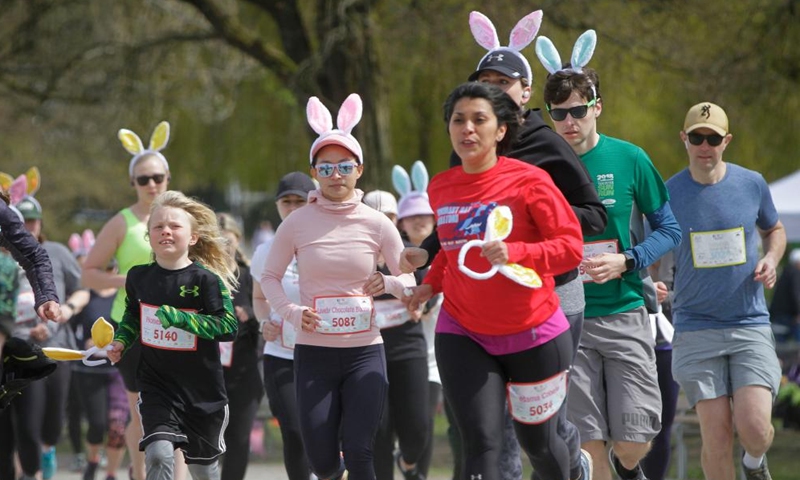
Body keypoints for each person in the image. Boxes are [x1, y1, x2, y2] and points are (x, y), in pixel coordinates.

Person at [404, 81, 586, 480]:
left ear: (501, 130)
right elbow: (454, 250)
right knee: (482, 443)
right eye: (458, 120)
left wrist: (516, 252)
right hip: (463, 331)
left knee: (539, 444)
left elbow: (570, 248)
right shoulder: (442, 186)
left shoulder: (530, 181)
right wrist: (430, 284)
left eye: (479, 119)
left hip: (533, 331)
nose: (467, 129)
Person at [537, 30, 682, 480]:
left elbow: (670, 229)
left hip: (624, 309)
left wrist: (628, 260)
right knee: (588, 446)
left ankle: (630, 468)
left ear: (597, 107)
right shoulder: (538, 168)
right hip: (567, 319)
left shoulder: (630, 158)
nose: (569, 121)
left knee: (633, 442)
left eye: (578, 110)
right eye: (559, 113)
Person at [261, 93, 416, 480]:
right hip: (314, 354)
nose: (335, 175)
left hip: (365, 352)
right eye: (326, 168)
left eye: (344, 166)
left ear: (359, 170)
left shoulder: (378, 223)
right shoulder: (296, 223)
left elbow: (410, 281)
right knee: (322, 460)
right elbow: (269, 278)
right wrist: (291, 312)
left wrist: (388, 281)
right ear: (314, 172)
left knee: (361, 449)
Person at [667, 102, 785, 480]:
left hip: (748, 322)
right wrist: (653, 280)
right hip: (695, 326)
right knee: (716, 438)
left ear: (726, 141)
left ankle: (754, 462)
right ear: (684, 139)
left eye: (713, 139)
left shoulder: (751, 184)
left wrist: (771, 259)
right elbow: (653, 246)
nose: (705, 146)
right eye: (697, 138)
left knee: (756, 430)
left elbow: (774, 230)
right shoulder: (668, 193)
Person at [107, 190, 239, 480]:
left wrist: (182, 319)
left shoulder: (206, 280)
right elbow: (133, 315)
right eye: (158, 226)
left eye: (175, 226)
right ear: (149, 236)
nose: (165, 231)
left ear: (193, 237)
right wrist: (121, 341)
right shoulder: (138, 277)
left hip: (202, 393)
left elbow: (228, 326)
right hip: (157, 387)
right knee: (158, 454)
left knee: (203, 472)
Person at [81, 121, 187, 480]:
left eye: (157, 177)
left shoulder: (184, 218)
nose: (152, 184)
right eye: (143, 179)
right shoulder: (122, 223)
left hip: (179, 326)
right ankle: (140, 475)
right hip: (132, 328)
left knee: (178, 412)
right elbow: (88, 272)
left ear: (168, 177)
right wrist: (127, 280)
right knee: (141, 413)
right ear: (133, 183)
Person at [10, 192, 89, 480]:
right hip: (22, 350)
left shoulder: (56, 252)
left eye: (33, 221)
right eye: (23, 221)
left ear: (41, 222)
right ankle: (30, 471)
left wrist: (67, 310)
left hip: (57, 348)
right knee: (28, 422)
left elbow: (82, 289)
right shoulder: (6, 257)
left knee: (54, 420)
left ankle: (48, 451)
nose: (29, 226)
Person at [365, 173, 430, 480]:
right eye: (374, 216)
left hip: (407, 345)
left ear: (397, 221)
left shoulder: (410, 254)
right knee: (378, 430)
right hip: (366, 349)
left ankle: (408, 461)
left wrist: (422, 304)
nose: (381, 223)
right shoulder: (354, 253)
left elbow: (429, 285)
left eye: (388, 217)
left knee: (417, 428)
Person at [251, 171, 316, 480]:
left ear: (313, 202)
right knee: (293, 429)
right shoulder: (265, 251)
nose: (292, 208)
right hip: (281, 354)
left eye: (299, 202)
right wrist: (264, 322)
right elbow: (258, 297)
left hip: (325, 352)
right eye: (285, 202)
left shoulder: (329, 243)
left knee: (324, 427)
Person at [216, 213, 263, 480]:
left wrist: (250, 314)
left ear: (238, 239)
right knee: (207, 439)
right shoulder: (200, 276)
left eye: (228, 240)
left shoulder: (249, 276)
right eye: (217, 240)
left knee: (239, 438)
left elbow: (267, 312)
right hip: (208, 373)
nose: (223, 246)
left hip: (244, 372)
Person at [71, 259, 128, 480]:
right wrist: (84, 344)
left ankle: (111, 474)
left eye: (111, 268)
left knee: (117, 427)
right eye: (102, 268)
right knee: (97, 424)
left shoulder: (123, 296)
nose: (107, 272)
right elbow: (69, 331)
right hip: (90, 371)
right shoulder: (86, 296)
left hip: (118, 371)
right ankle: (93, 460)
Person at [769, 248, 800, 342]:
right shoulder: (795, 273)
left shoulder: (785, 272)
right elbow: (796, 294)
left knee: (780, 345)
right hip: (788, 316)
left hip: (778, 314)